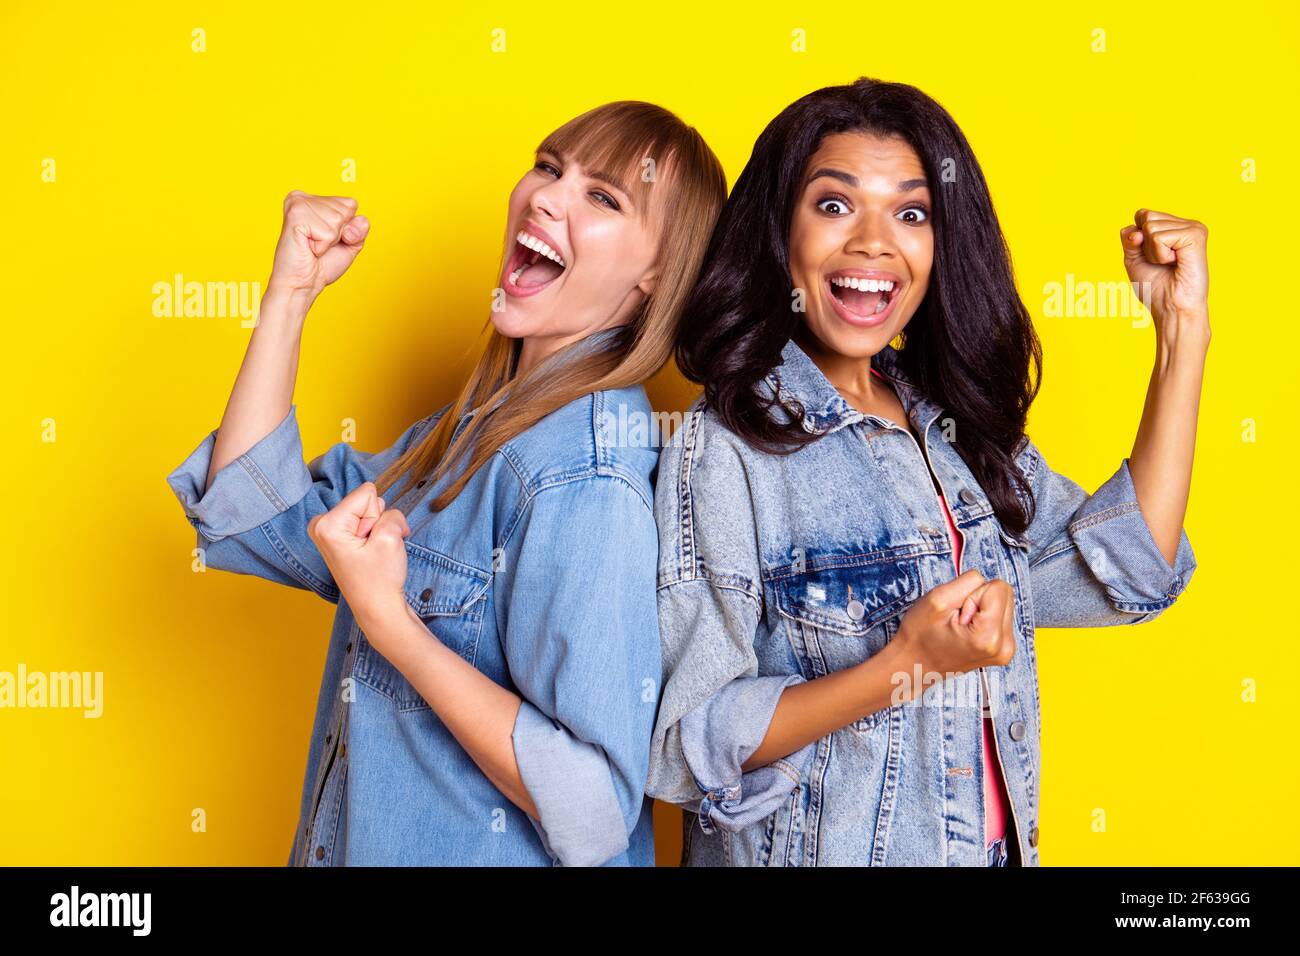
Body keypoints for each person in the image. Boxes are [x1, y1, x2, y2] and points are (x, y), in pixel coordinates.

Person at [647, 77, 1205, 866]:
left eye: (912, 213)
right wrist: (905, 667)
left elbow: (1130, 572)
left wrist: (1181, 334)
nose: (875, 242)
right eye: (835, 205)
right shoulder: (725, 445)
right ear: (778, 232)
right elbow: (684, 746)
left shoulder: (954, 427)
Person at [166, 100, 727, 866]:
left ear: (658, 275)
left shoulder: (582, 478)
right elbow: (251, 517)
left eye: (603, 197)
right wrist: (291, 294)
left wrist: (392, 623)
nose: (546, 196)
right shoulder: (471, 432)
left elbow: (594, 810)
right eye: (549, 167)